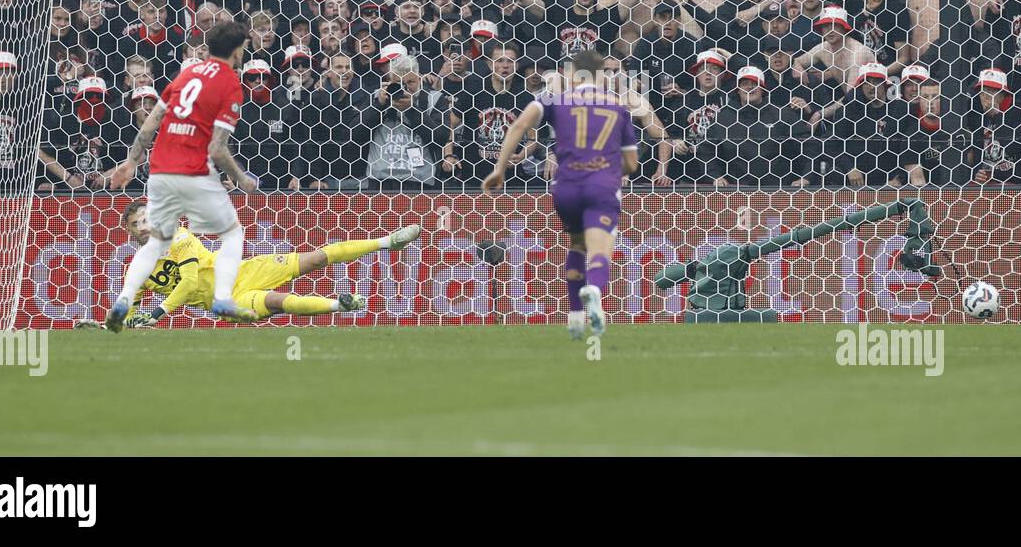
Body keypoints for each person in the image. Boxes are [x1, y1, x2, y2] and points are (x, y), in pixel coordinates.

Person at [105, 21, 260, 330]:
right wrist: (242, 179)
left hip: (159, 170)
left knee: (156, 243)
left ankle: (123, 298)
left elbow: (151, 123)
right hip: (193, 171)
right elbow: (217, 149)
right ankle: (222, 298)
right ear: (237, 50)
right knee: (232, 234)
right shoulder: (230, 84)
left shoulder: (186, 74)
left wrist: (130, 162)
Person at [483, 48, 636, 340]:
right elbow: (631, 163)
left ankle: (576, 317)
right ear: (601, 75)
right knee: (600, 249)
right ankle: (594, 289)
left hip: (565, 188)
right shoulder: (617, 107)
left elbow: (519, 125)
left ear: (570, 73)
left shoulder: (554, 99)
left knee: (577, 245)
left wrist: (499, 170)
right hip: (601, 185)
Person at [117, 200, 422, 326]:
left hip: (243, 270)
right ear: (130, 232)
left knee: (314, 258)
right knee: (279, 302)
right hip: (228, 300)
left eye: (146, 218)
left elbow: (189, 282)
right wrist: (123, 322)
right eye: (135, 223)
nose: (143, 225)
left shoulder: (180, 237)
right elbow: (128, 308)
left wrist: (157, 313)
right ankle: (339, 306)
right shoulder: (141, 271)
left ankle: (387, 241)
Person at [655, 198, 939, 322]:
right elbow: (662, 279)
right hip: (710, 308)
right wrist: (695, 268)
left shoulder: (729, 257)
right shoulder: (723, 259)